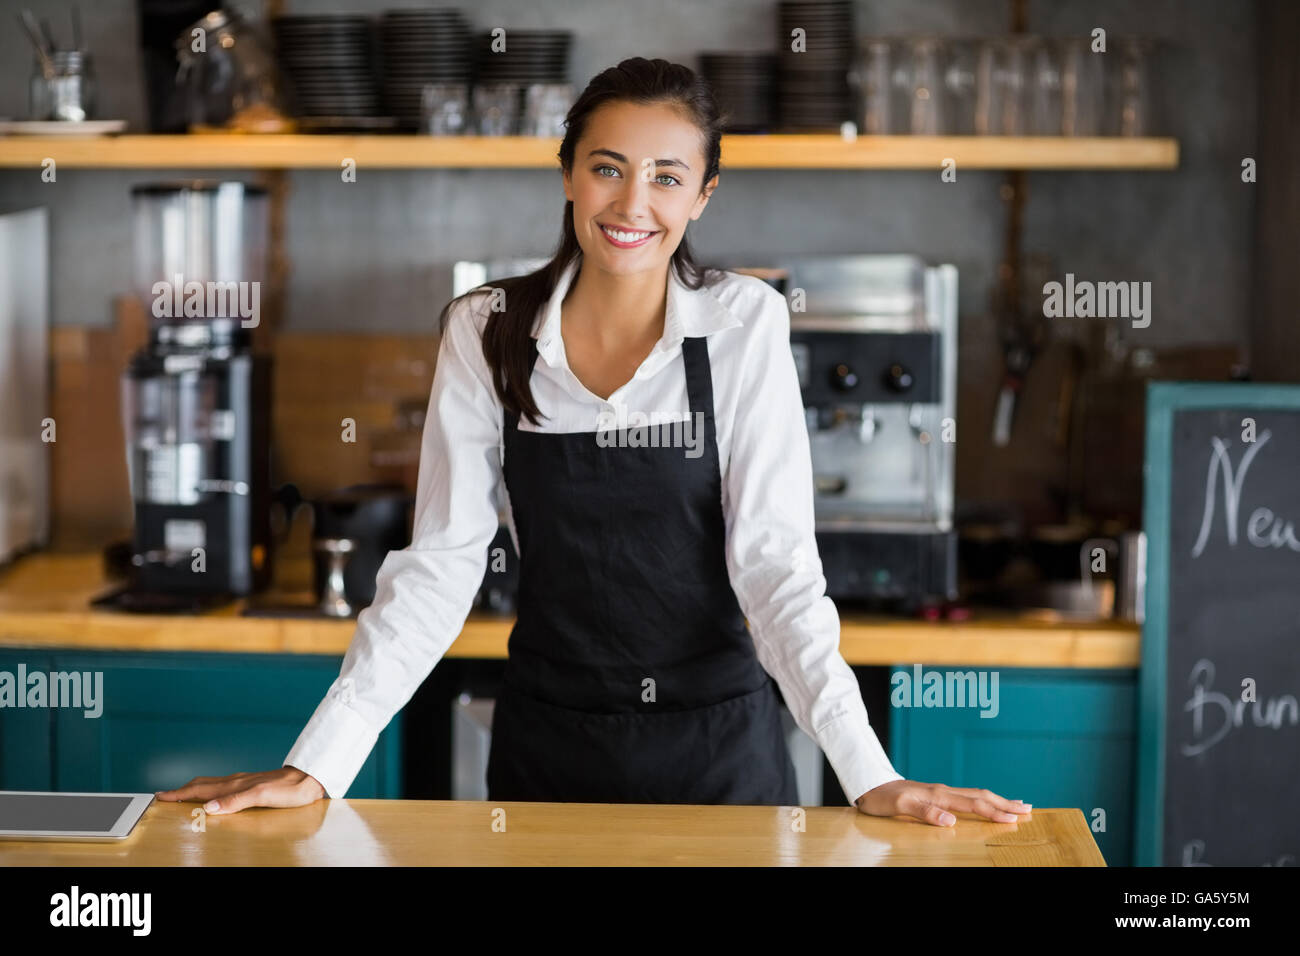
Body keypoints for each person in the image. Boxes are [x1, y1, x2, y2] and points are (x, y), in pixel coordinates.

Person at [159, 57, 1031, 827]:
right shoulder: (488, 329)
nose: (632, 204)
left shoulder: (742, 325)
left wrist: (867, 775)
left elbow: (774, 568)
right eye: (607, 168)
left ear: (703, 194)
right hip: (549, 750)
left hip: (718, 755)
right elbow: (440, 566)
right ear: (569, 174)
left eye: (665, 176)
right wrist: (320, 763)